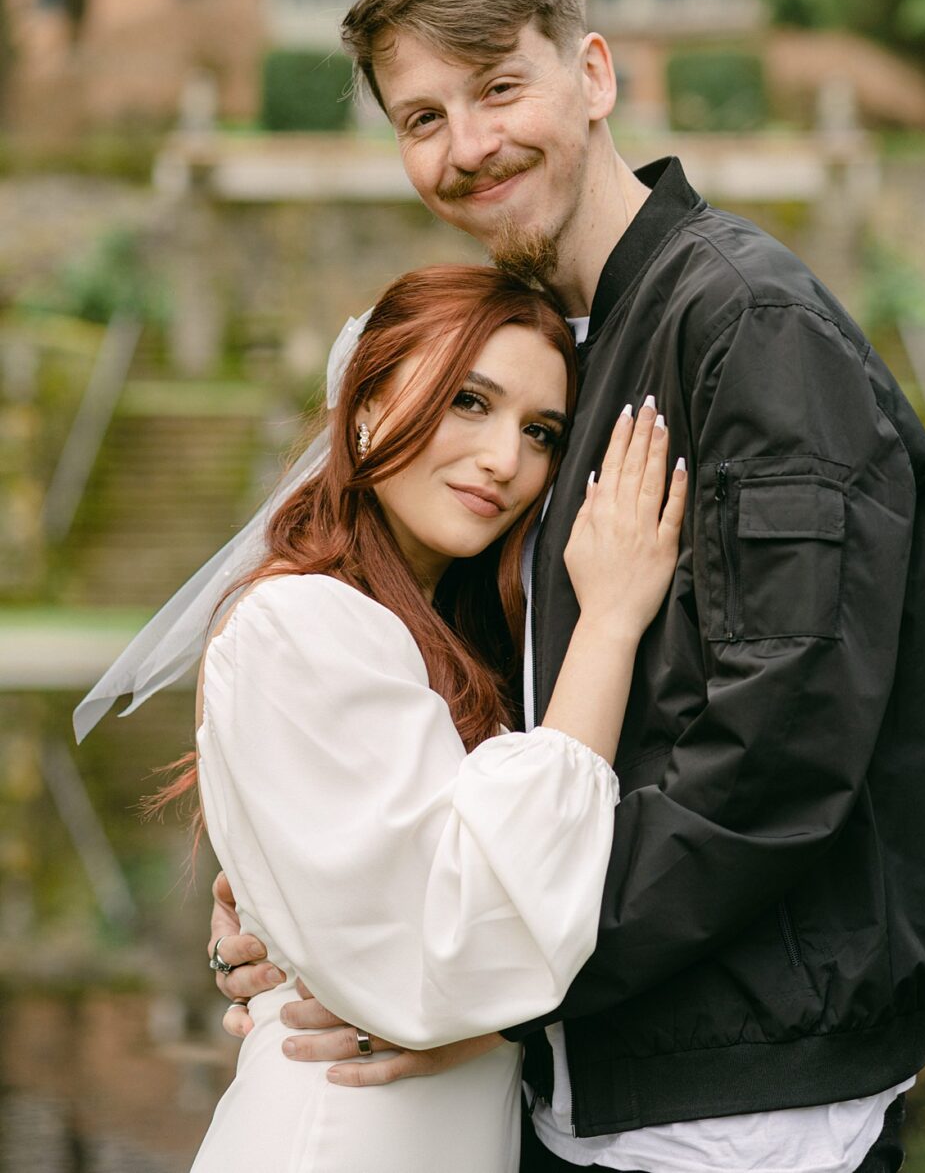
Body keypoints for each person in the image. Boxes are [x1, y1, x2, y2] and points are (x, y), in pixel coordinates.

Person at [208, 0, 925, 1172]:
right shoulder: (563, 350)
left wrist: (477, 973)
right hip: (588, 1081)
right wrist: (319, 906)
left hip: (733, 1109)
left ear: (594, 75)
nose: (467, 145)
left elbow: (780, 744)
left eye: (499, 87)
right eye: (421, 116)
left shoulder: (747, 326)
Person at [81, 264, 688, 1171]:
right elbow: (451, 942)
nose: (504, 461)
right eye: (469, 402)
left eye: (540, 432)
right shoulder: (298, 623)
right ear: (366, 403)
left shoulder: (455, 637)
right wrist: (609, 620)